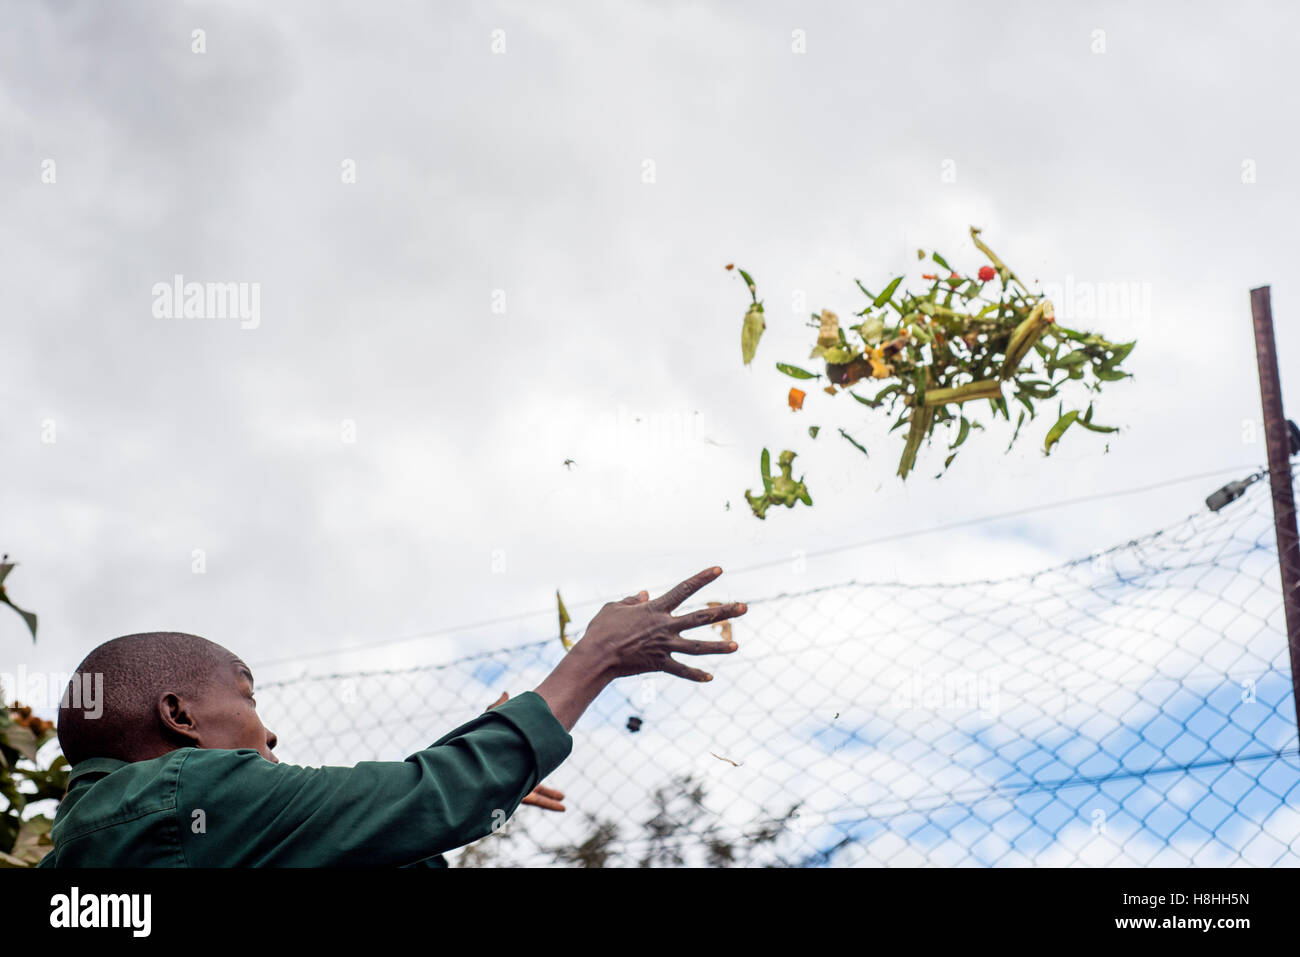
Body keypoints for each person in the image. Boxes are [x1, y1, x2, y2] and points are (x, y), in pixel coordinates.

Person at [38, 566, 744, 867]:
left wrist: (476, 776)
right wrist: (597, 658)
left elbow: (378, 829)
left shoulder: (104, 834)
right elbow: (420, 798)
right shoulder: (185, 796)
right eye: (249, 698)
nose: (269, 730)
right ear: (179, 716)